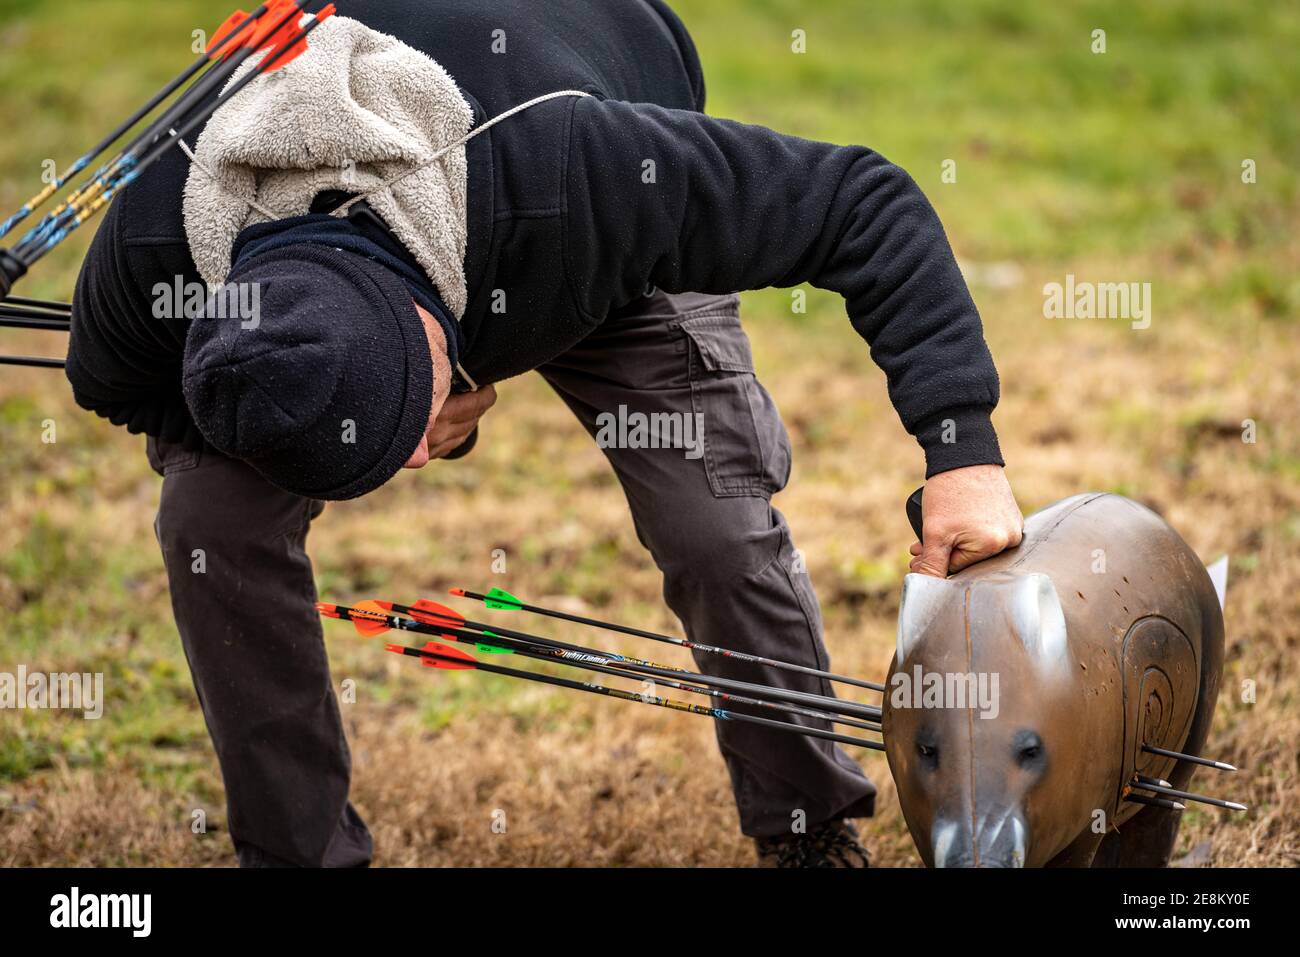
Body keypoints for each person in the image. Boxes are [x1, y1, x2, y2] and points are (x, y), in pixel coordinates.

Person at [67, 0, 1023, 867]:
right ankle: (294, 854)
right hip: (381, 257)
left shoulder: (584, 170)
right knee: (209, 520)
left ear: (440, 343)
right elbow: (111, 384)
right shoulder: (158, 236)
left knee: (712, 523)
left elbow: (864, 203)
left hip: (576, 198)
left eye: (406, 434)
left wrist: (963, 452)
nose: (410, 467)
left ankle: (807, 827)